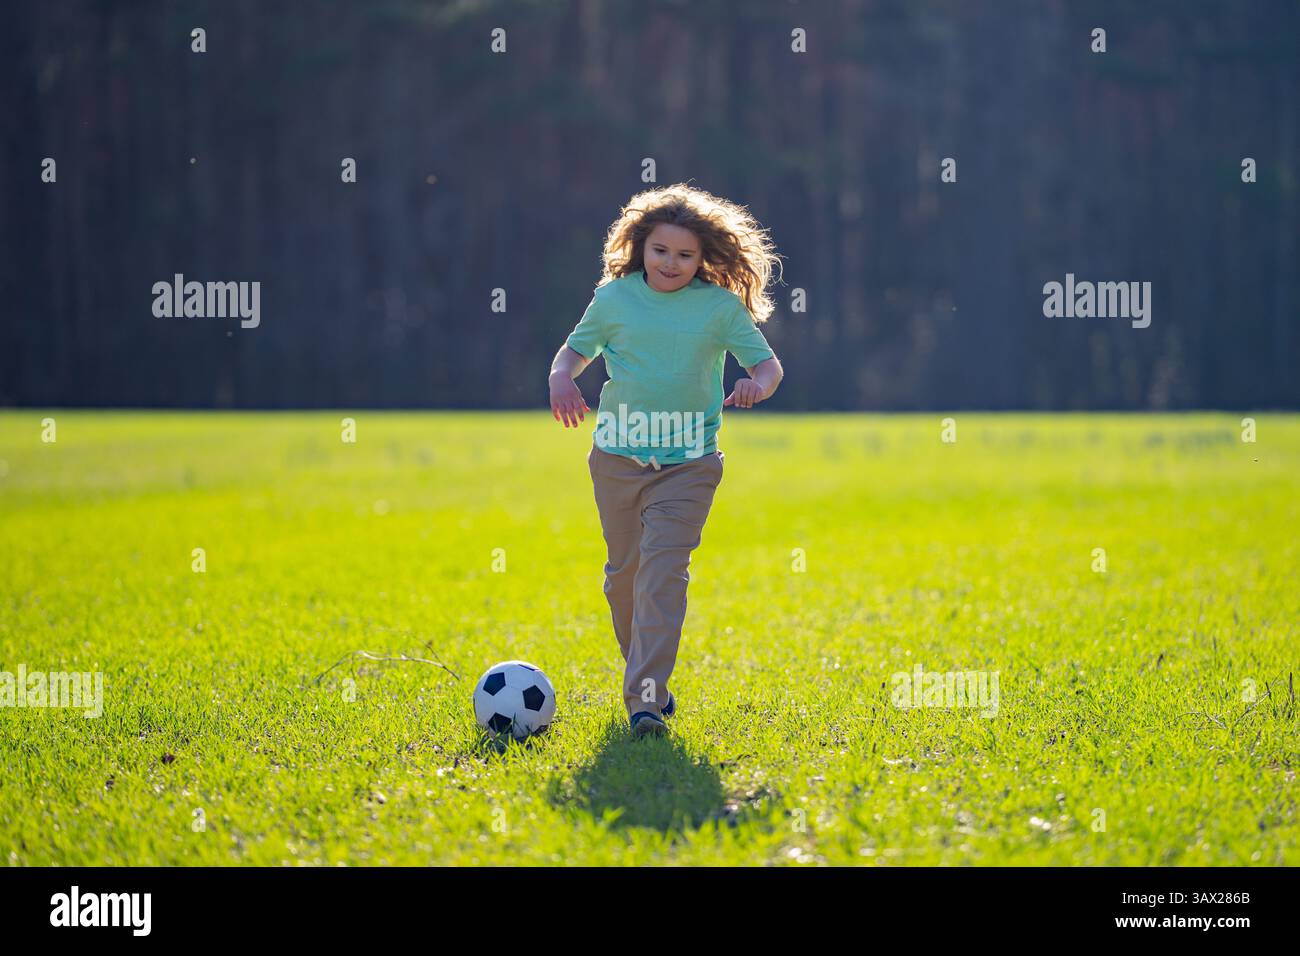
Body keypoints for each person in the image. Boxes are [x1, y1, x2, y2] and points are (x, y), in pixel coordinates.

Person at [547, 182, 785, 737]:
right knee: (624, 579)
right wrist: (561, 378)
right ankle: (647, 675)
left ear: (704, 259)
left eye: (685, 255)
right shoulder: (614, 299)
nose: (671, 263)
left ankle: (645, 700)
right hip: (616, 461)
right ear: (640, 247)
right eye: (660, 251)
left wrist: (758, 386)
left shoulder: (719, 309)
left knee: (662, 576)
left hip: (689, 465)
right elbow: (574, 352)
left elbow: (768, 367)